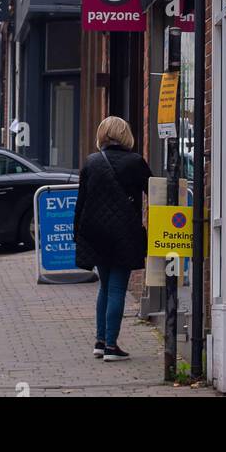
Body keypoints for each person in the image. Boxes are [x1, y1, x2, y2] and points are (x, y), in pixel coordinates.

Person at [73, 116, 151, 363]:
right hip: (123, 233)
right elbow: (157, 191)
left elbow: (81, 202)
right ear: (125, 134)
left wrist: (78, 234)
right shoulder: (135, 162)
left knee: (105, 287)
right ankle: (111, 346)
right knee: (117, 288)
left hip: (95, 233)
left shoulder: (91, 162)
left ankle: (99, 341)